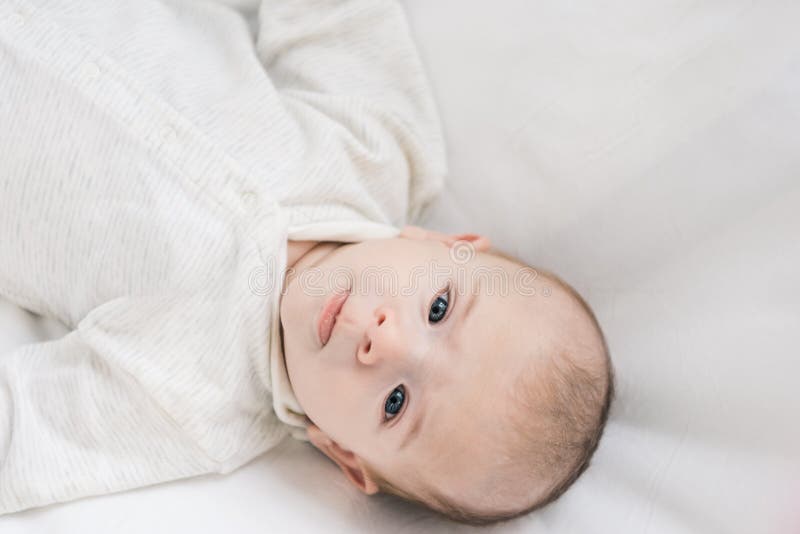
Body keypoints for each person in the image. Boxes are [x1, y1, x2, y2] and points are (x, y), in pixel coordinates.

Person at [0, 0, 613, 524]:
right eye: (438, 307)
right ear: (443, 243)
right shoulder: (376, 145)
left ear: (346, 455)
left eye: (395, 402)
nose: (386, 341)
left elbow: (23, 433)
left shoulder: (191, 399)